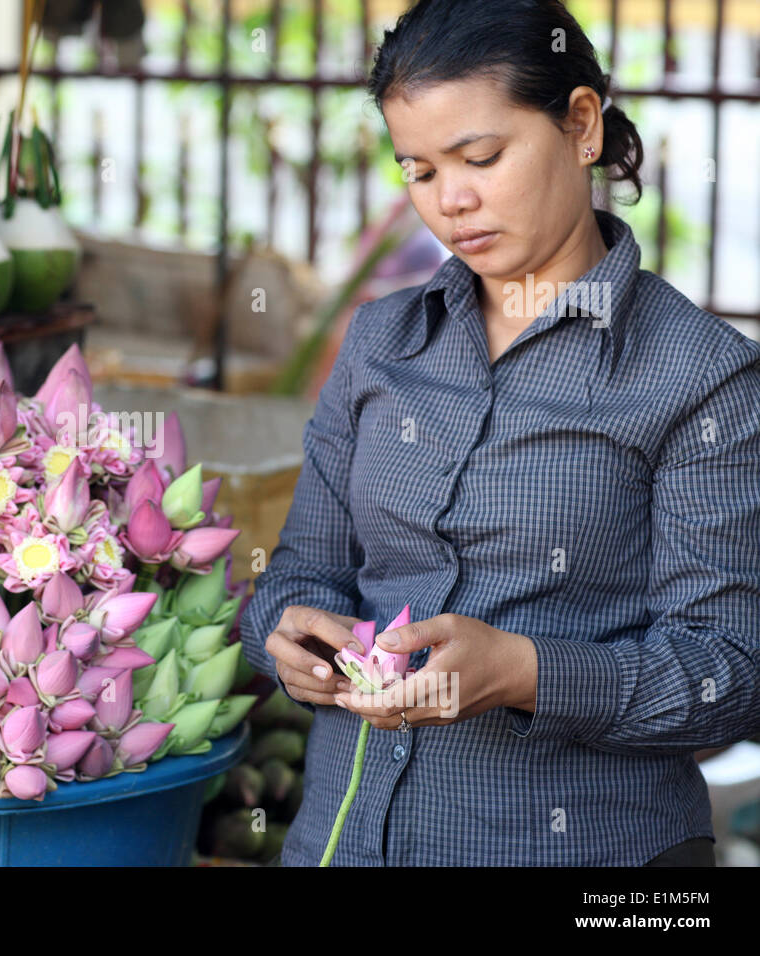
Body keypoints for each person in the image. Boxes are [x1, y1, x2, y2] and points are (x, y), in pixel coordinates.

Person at [240, 0, 760, 867]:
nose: (453, 202)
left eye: (481, 157)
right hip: (348, 838)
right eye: (418, 170)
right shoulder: (381, 342)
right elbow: (299, 571)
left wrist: (523, 671)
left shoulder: (700, 375)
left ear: (582, 125)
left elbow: (731, 675)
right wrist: (286, 639)